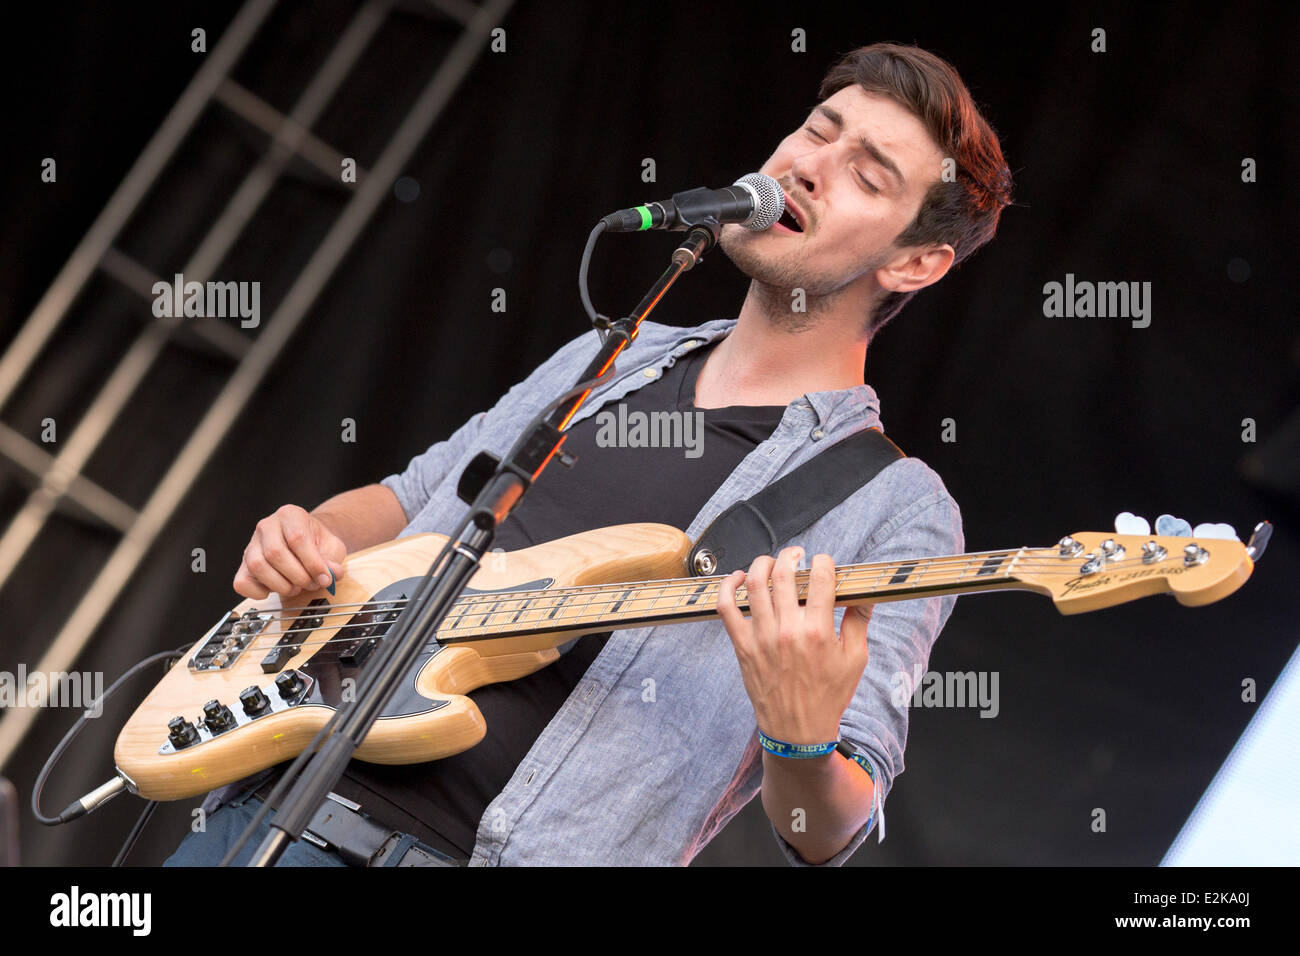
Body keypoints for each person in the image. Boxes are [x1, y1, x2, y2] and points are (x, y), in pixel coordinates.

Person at [164, 41, 1012, 867]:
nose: (813, 164)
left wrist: (800, 740)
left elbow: (827, 829)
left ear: (919, 261)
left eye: (867, 175)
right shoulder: (610, 354)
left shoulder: (895, 502)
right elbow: (407, 498)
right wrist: (306, 533)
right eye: (820, 129)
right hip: (263, 809)